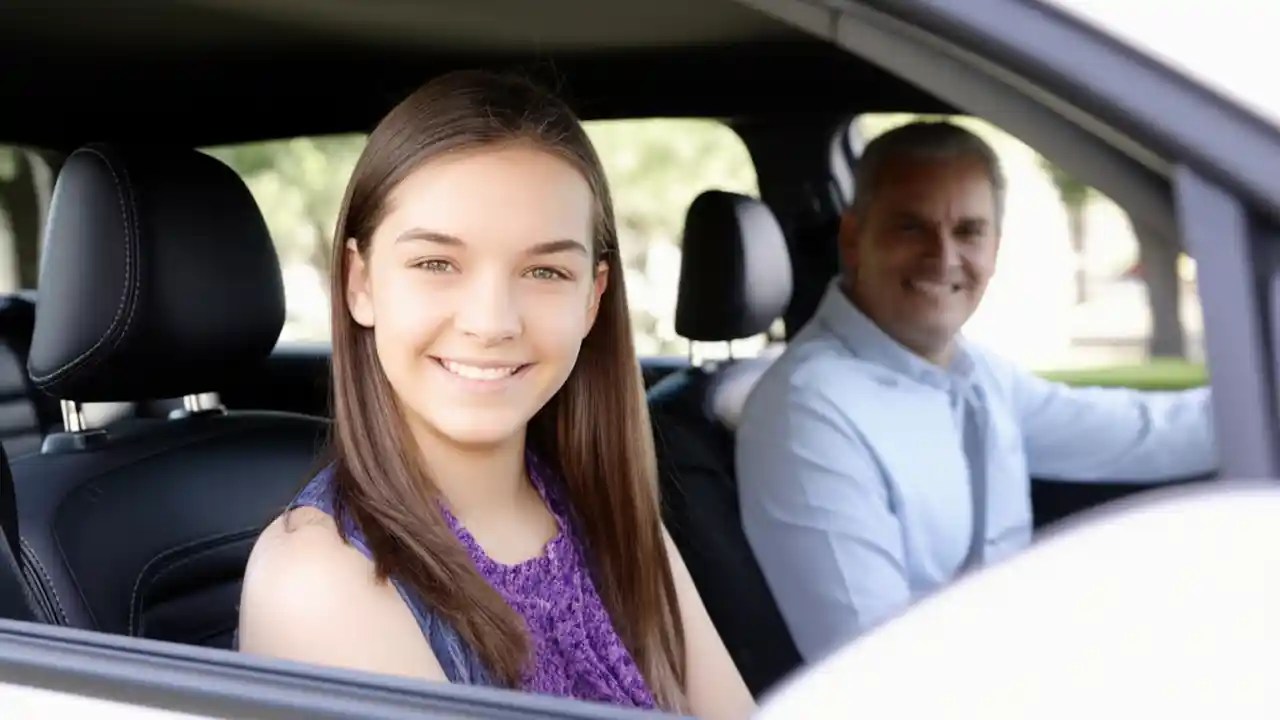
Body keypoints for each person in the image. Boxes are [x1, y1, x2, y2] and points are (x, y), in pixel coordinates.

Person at [236, 70, 754, 719]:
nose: (491, 321)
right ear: (360, 282)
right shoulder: (321, 575)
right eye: (436, 264)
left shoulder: (614, 520)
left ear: (592, 301)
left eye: (544, 271)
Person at [734, 121, 1218, 662]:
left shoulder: (975, 374)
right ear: (853, 239)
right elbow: (874, 672)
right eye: (910, 228)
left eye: (968, 231)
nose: (943, 257)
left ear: (994, 247)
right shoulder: (810, 414)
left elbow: (1143, 433)